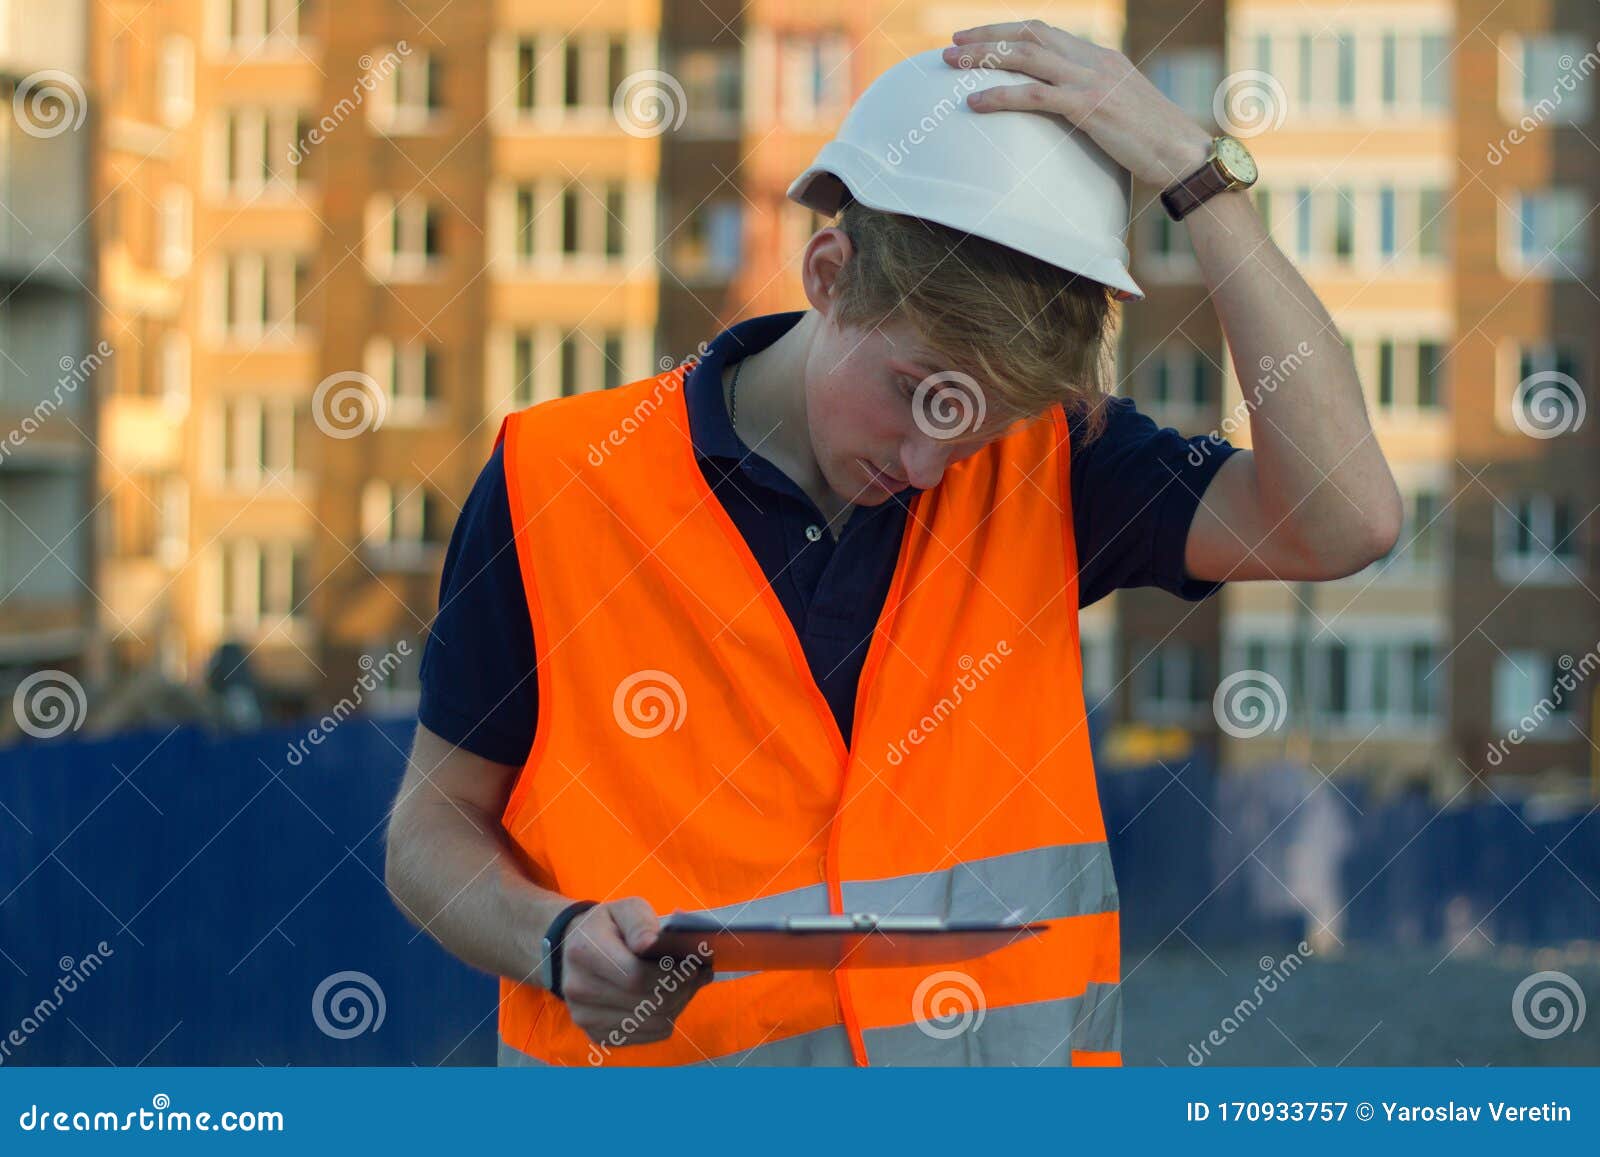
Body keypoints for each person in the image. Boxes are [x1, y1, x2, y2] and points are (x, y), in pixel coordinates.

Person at [384, 23, 1402, 1067]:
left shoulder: (1056, 470)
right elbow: (430, 829)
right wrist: (551, 941)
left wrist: (1200, 179)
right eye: (914, 394)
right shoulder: (559, 476)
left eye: (980, 423)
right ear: (827, 271)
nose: (926, 463)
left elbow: (1348, 517)